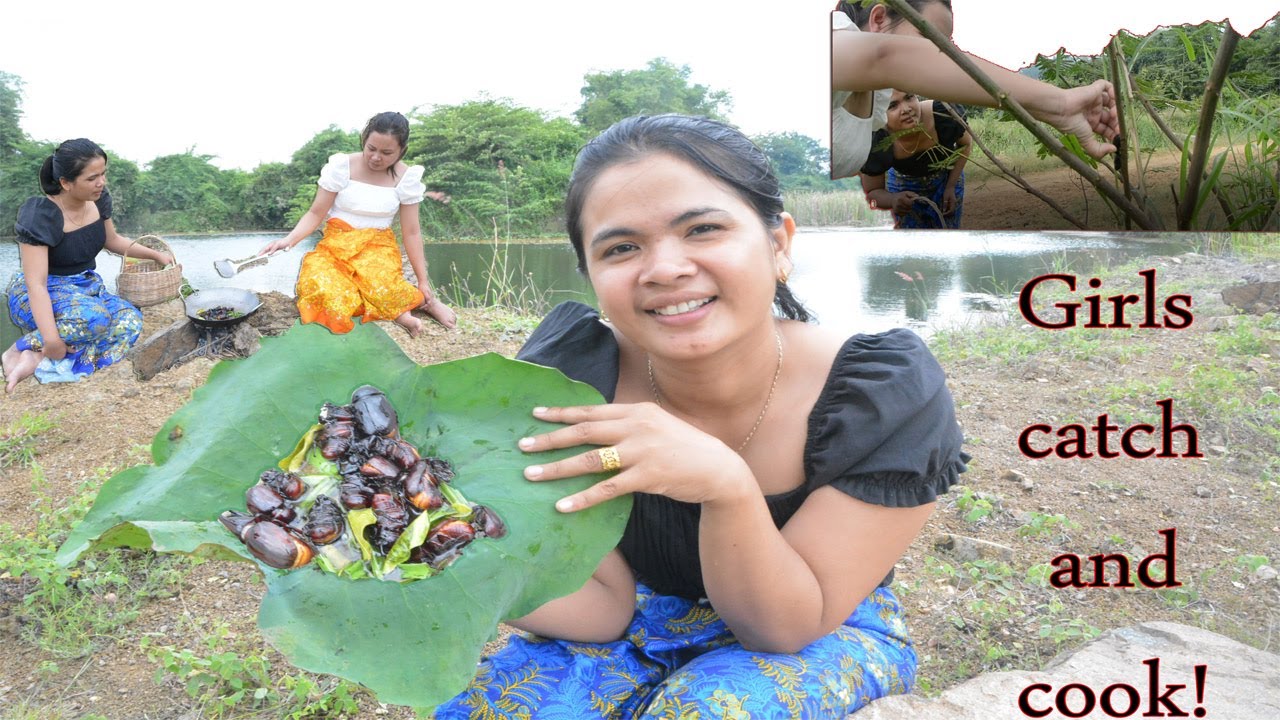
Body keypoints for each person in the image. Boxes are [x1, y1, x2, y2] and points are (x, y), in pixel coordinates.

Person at [432, 115, 968, 718]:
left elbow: (783, 627)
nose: (665, 268)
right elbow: (603, 608)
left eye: (703, 229)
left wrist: (727, 486)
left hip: (819, 624)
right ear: (591, 275)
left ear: (779, 244)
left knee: (706, 709)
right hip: (636, 614)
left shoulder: (885, 393)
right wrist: (447, 562)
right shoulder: (570, 378)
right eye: (621, 248)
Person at [831, 0, 1118, 179]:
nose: (941, 56)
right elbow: (884, 57)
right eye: (930, 40)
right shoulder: (832, 36)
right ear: (879, 20)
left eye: (945, 45)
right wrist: (1061, 103)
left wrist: (1061, 110)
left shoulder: (879, 99)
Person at [2, 138, 175, 393]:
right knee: (95, 319)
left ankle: (47, 358)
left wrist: (155, 255)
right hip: (43, 290)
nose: (101, 182)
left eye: (103, 174)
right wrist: (51, 339)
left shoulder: (99, 200)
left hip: (85, 286)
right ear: (65, 183)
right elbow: (35, 284)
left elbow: (112, 240)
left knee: (130, 320)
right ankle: (21, 349)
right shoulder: (41, 216)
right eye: (92, 178)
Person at [260, 111, 455, 335]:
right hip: (335, 247)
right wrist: (289, 240)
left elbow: (411, 232)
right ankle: (400, 313)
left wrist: (423, 281)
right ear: (364, 139)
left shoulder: (407, 178)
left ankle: (424, 303)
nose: (376, 157)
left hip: (377, 249)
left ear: (402, 150)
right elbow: (315, 213)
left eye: (387, 153)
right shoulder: (341, 167)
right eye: (371, 148)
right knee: (324, 289)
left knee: (383, 287)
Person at [860, 90, 972, 228]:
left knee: (947, 231)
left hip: (948, 178)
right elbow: (873, 192)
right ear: (879, 114)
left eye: (909, 97)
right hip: (903, 188)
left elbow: (966, 145)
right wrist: (893, 199)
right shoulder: (878, 140)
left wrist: (950, 187)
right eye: (893, 106)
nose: (906, 109)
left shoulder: (942, 113)